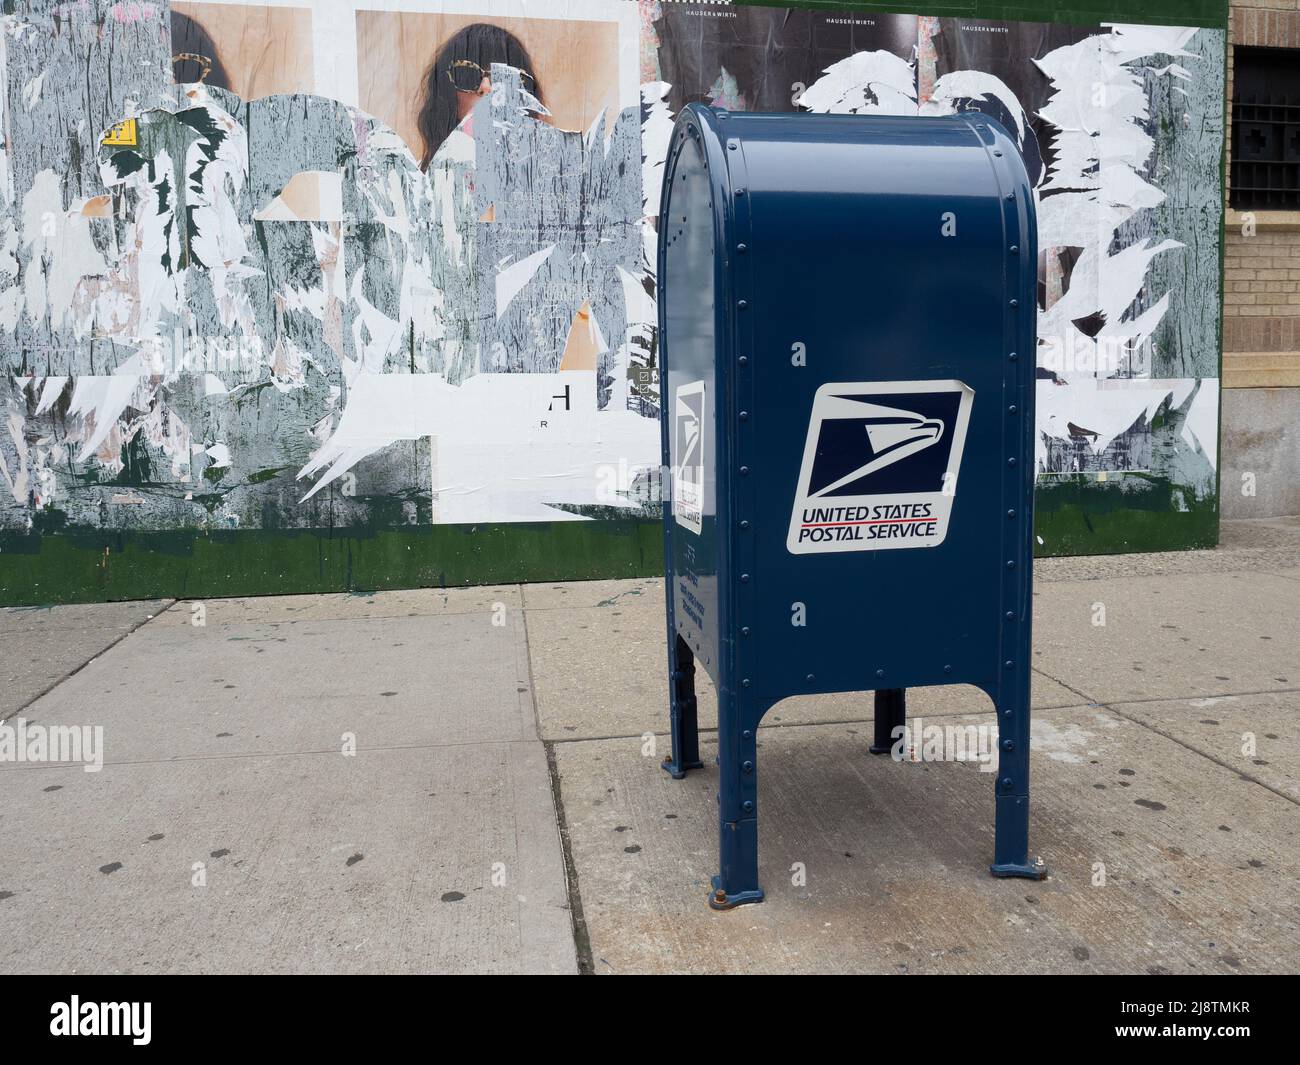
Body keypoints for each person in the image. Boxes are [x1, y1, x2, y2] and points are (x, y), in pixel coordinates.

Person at [415, 23, 544, 170]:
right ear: (445, 90)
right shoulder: (417, 183)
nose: (486, 88)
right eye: (467, 74)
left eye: (505, 79)